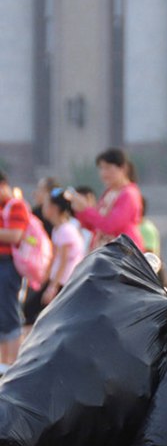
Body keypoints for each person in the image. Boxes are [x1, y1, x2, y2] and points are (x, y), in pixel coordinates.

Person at [20, 187, 85, 324]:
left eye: (46, 204)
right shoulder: (59, 229)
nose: (43, 207)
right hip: (58, 281)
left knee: (33, 314)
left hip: (63, 283)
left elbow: (63, 261)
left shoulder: (65, 231)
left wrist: (52, 287)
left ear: (54, 208)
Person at [69, 147, 144, 251]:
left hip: (123, 254)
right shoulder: (109, 193)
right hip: (106, 252)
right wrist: (80, 210)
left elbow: (110, 226)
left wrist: (86, 209)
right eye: (101, 168)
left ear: (123, 168)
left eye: (108, 168)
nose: (103, 173)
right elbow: (96, 225)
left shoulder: (129, 194)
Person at [0, 170, 28, 367]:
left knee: (9, 312)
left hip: (8, 264)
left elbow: (15, 236)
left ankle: (12, 364)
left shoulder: (16, 206)